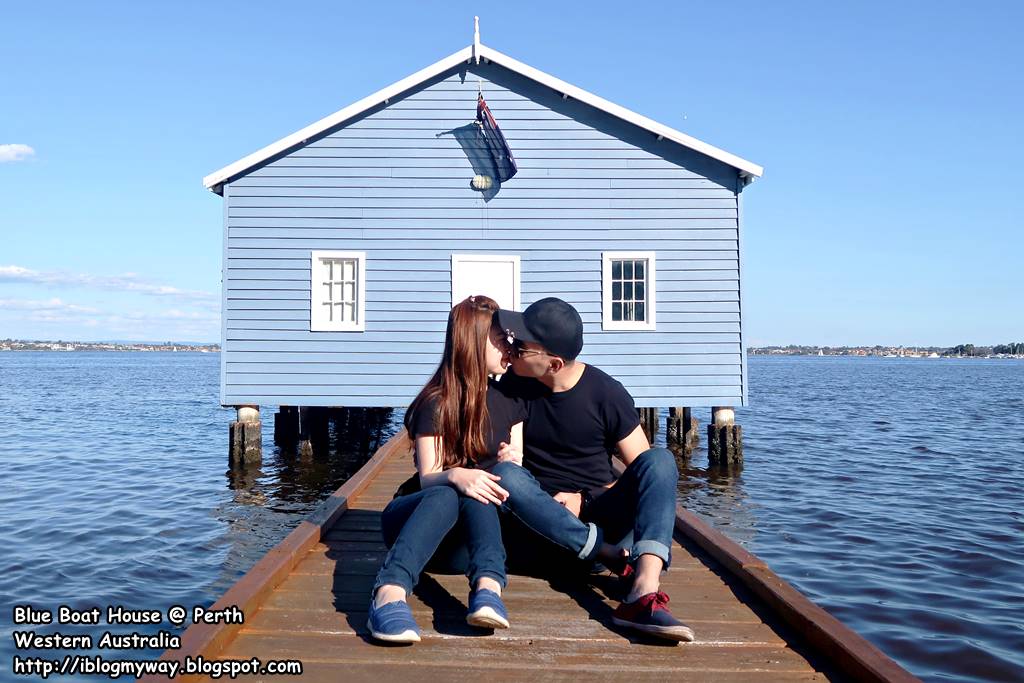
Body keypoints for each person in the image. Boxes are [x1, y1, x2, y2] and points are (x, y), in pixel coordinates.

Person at [491, 297, 695, 642]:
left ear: (553, 363)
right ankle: (607, 555)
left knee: (660, 460)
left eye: (521, 347)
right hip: (542, 527)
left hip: (596, 519)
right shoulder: (512, 386)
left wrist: (583, 501)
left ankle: (643, 592)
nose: (512, 350)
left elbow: (646, 476)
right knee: (507, 476)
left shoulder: (606, 394)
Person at [368, 295, 526, 643]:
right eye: (499, 339)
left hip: (467, 545)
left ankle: (488, 590)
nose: (508, 346)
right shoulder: (437, 401)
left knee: (480, 488)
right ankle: (388, 592)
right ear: (472, 340)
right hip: (416, 524)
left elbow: (516, 467)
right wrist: (456, 474)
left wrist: (510, 463)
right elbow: (428, 477)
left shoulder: (512, 402)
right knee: (449, 489)